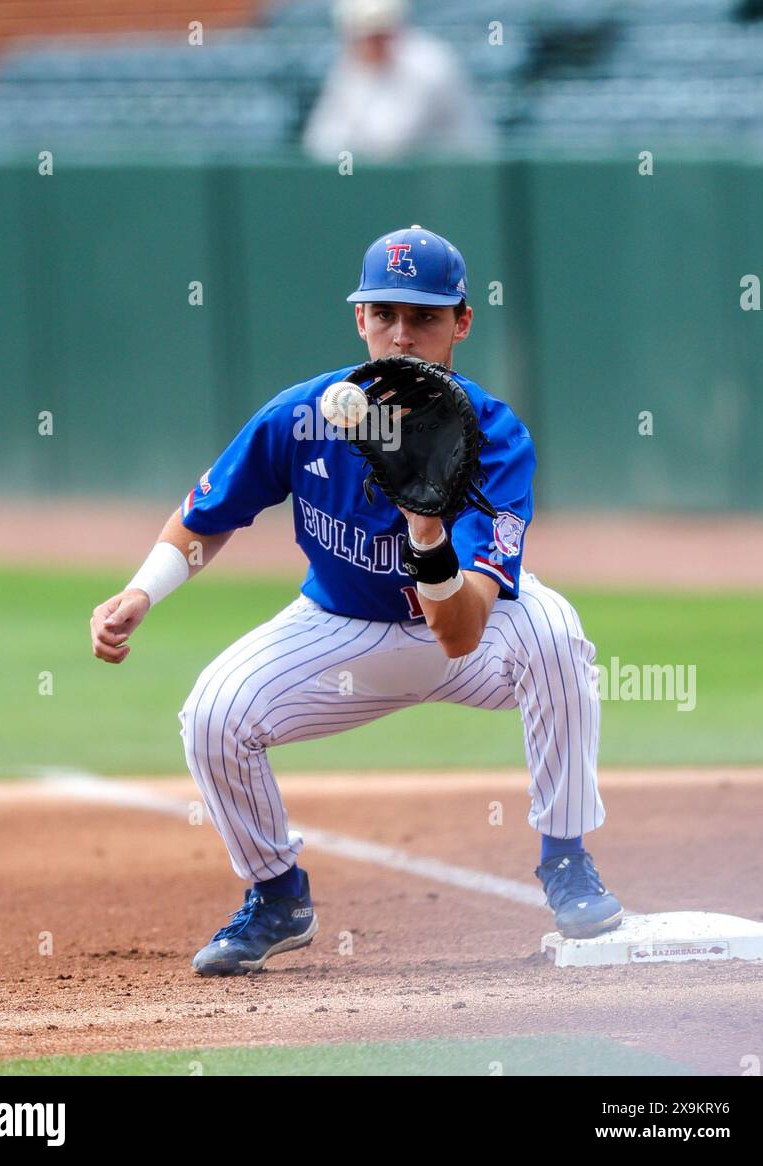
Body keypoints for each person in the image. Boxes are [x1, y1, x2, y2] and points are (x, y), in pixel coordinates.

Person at [90, 226, 623, 977]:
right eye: (385, 314)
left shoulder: (492, 436)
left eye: (426, 316)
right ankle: (278, 897)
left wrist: (427, 526)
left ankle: (566, 861)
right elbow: (206, 517)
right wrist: (143, 591)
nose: (402, 335)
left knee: (557, 635)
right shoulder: (304, 415)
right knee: (213, 714)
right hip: (340, 629)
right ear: (360, 318)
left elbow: (463, 632)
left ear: (462, 323)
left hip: (468, 630)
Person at [302, 0, 490, 161]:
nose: (368, 44)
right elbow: (321, 140)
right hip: (399, 179)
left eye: (376, 34)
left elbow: (391, 141)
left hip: (454, 174)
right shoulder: (349, 64)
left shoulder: (429, 63)